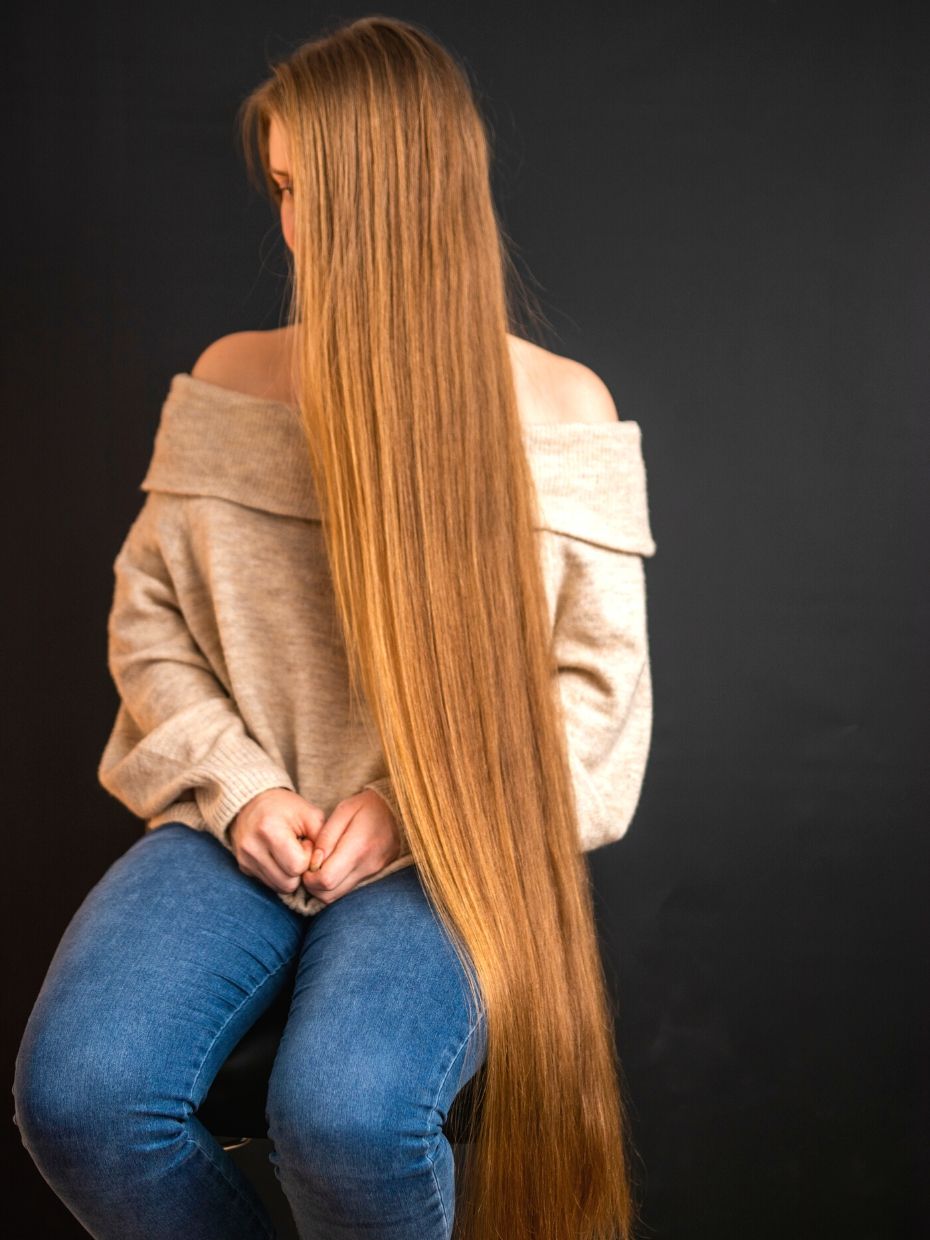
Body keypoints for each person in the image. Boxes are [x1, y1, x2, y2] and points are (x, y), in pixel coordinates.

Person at [13, 15, 658, 1240]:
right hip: (240, 823)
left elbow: (597, 706)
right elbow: (149, 624)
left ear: (410, 191)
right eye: (282, 189)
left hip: (452, 838)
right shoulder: (232, 377)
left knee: (351, 1115)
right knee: (83, 1099)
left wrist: (416, 805)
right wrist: (244, 789)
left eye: (320, 191)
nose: (292, 228)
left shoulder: (563, 411)